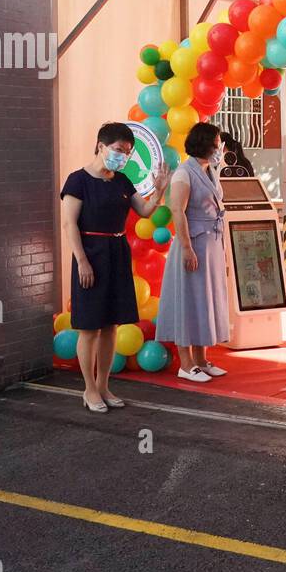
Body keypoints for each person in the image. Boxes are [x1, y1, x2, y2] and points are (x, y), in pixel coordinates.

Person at [61, 122, 170, 413]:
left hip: (117, 254)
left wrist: (158, 192)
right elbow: (69, 223)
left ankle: (104, 384)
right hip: (91, 254)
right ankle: (89, 389)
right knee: (89, 327)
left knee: (110, 327)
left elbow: (144, 210)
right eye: (119, 150)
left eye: (128, 152)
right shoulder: (77, 181)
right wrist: (82, 260)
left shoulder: (122, 181)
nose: (123, 156)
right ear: (101, 146)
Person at [156, 123, 231, 383]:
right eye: (217, 142)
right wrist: (187, 248)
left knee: (205, 301)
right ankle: (186, 364)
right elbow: (178, 211)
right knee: (189, 301)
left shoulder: (208, 169)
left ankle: (201, 359)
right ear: (206, 143)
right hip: (194, 244)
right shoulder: (183, 173)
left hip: (211, 243)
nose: (220, 147)